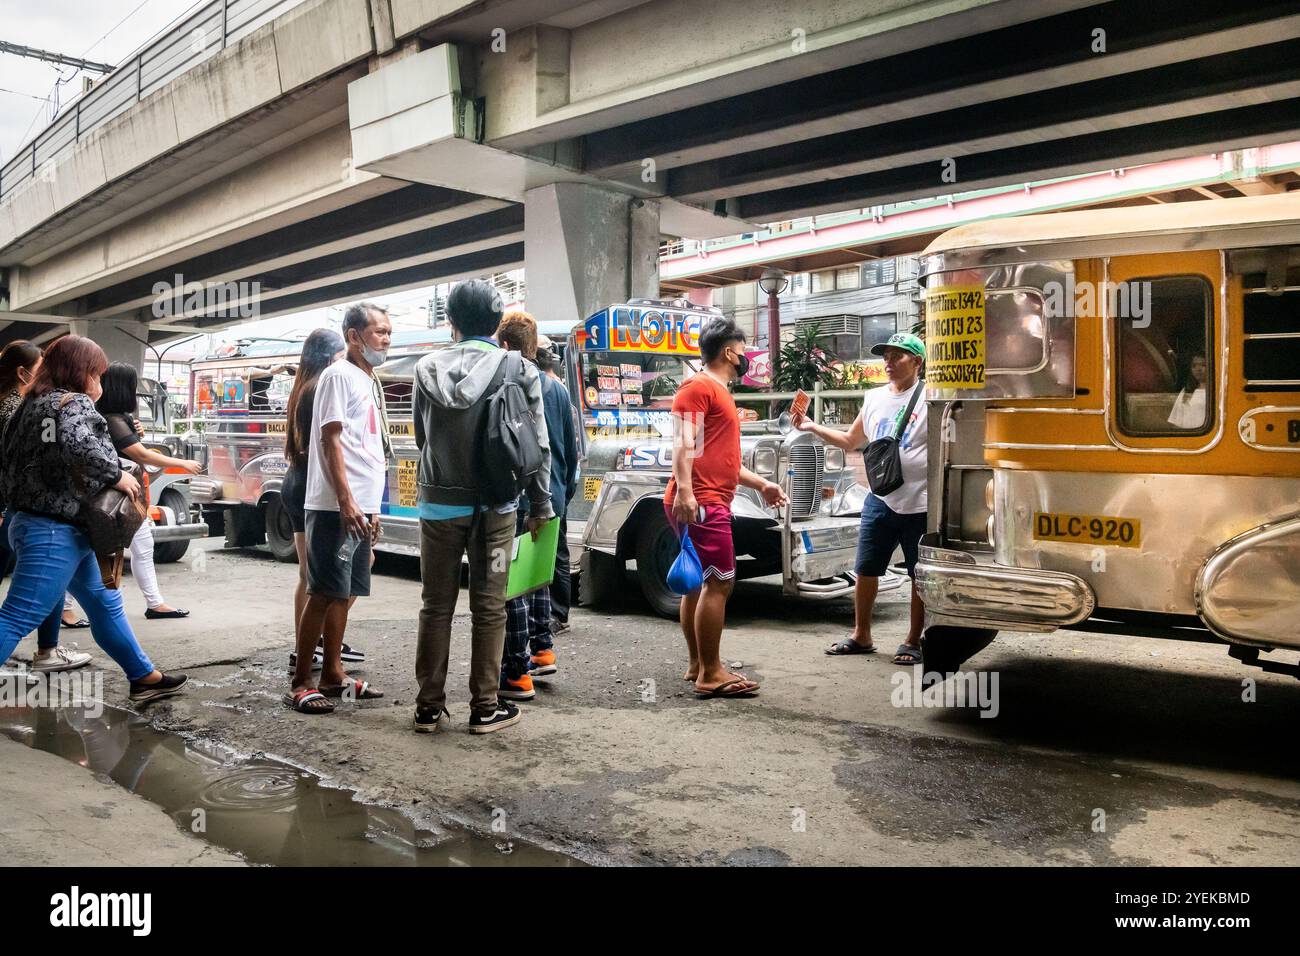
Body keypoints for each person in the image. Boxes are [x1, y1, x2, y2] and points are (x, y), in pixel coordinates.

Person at [0, 335, 187, 703]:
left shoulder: (29, 405)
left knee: (104, 603)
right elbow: (78, 445)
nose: (99, 383)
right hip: (54, 530)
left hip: (39, 523)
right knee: (18, 616)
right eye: (97, 374)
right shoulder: (73, 403)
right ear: (80, 372)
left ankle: (143, 676)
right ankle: (142, 675)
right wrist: (117, 474)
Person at [411, 279, 553, 734]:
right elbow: (537, 444)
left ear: (450, 321)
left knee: (436, 606)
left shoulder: (426, 366)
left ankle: (428, 708)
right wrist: (540, 503)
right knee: (489, 607)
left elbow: (421, 436)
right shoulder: (518, 367)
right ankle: (484, 708)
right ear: (496, 324)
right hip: (497, 508)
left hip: (438, 507)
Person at [666, 317, 786, 698]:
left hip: (702, 498)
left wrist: (762, 483)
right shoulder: (698, 386)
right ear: (728, 352)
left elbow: (727, 462)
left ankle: (698, 664)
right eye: (743, 348)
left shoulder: (717, 391)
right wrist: (687, 492)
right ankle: (711, 673)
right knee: (720, 582)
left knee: (699, 584)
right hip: (701, 502)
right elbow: (683, 444)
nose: (746, 355)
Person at [794, 332, 928, 665]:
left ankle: (913, 640)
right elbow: (850, 440)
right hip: (880, 498)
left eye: (898, 356)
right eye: (886, 356)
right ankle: (861, 634)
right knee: (866, 568)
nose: (889, 363)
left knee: (918, 574)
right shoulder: (873, 398)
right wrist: (811, 426)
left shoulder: (932, 398)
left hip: (921, 501)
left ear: (917, 362)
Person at [287, 304, 392, 714]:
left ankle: (333, 674)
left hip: (360, 506)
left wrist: (371, 508)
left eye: (388, 332)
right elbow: (330, 440)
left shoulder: (365, 379)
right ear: (354, 336)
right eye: (379, 331)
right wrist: (347, 501)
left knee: (345, 591)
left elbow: (364, 447)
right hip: (335, 506)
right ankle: (301, 682)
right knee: (323, 591)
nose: (386, 339)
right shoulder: (336, 376)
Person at [495, 314, 577, 698]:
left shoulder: (511, 384)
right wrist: (560, 492)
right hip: (553, 493)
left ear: (506, 346)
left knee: (513, 581)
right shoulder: (557, 389)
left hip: (524, 495)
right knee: (537, 574)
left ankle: (517, 668)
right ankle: (542, 650)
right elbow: (571, 450)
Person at [0, 341, 94, 673]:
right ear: (23, 371)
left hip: (19, 508)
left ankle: (48, 650)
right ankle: (46, 651)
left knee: (60, 588)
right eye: (40, 365)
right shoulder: (25, 406)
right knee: (17, 611)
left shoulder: (22, 404)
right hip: (33, 511)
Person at [281, 329, 368, 674]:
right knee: (334, 575)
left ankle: (312, 642)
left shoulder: (303, 387)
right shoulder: (324, 386)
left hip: (296, 481)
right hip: (313, 486)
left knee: (310, 575)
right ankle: (317, 640)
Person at [95, 363, 201, 619]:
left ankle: (155, 603)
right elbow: (139, 454)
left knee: (136, 547)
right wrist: (181, 462)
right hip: (117, 498)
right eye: (132, 386)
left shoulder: (118, 418)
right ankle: (65, 609)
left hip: (124, 497)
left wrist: (134, 431)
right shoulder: (113, 420)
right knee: (92, 553)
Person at [536, 337, 580, 637]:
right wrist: (565, 488)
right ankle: (557, 614)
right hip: (557, 487)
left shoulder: (535, 389)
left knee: (540, 554)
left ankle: (544, 616)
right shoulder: (562, 393)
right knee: (557, 552)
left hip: (540, 488)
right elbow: (571, 452)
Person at [1167, 353, 1208, 429]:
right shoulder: (1186, 390)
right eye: (1194, 366)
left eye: (1203, 365)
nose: (1198, 369)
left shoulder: (1216, 391)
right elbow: (1175, 421)